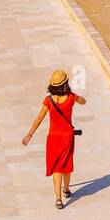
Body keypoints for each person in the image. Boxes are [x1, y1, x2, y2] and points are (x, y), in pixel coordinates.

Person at [22, 68, 86, 209]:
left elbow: (39, 118)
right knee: (66, 164)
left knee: (56, 166)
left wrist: (29, 134)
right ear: (65, 83)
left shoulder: (48, 100)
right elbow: (84, 101)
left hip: (53, 138)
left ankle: (58, 199)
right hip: (67, 137)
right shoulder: (71, 97)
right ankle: (66, 189)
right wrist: (75, 96)